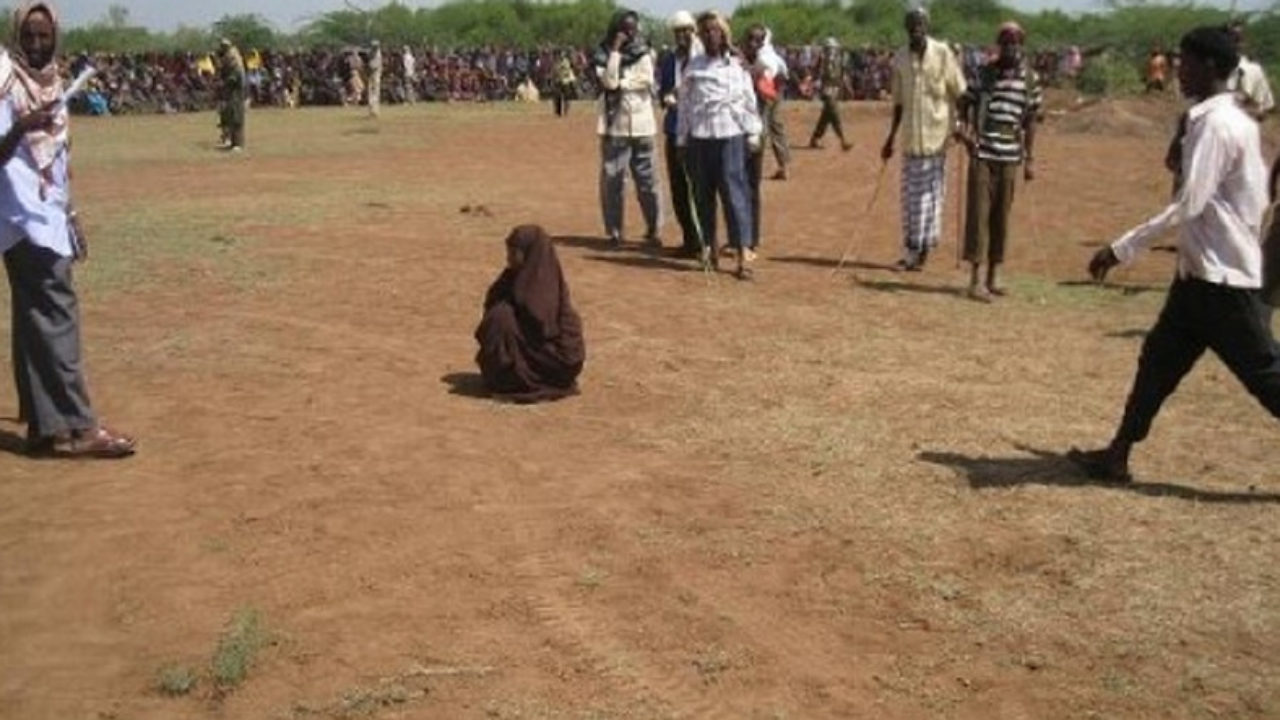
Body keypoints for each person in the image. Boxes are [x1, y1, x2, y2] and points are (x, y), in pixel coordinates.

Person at [1071, 26, 1280, 483]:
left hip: (1223, 282)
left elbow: (1190, 204)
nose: (1177, 69)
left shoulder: (1219, 125)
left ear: (1208, 66)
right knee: (1157, 363)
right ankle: (1117, 453)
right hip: (1199, 277)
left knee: (1268, 377)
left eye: (1184, 61)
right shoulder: (1222, 120)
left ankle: (1117, 452)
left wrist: (1120, 249)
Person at [1, 1, 136, 458]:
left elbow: (58, 160)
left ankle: (43, 425)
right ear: (16, 37)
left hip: (47, 215)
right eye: (28, 37)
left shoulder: (52, 82)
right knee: (57, 314)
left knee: (35, 319)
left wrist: (71, 214)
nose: (36, 46)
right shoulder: (4, 81)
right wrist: (21, 126)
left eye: (44, 37)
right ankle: (77, 427)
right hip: (23, 218)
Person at [956, 21, 1041, 301]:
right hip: (983, 152)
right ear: (999, 45)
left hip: (1010, 156)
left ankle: (993, 276)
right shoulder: (984, 73)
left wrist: (1029, 159)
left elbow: (1031, 121)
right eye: (1005, 42)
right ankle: (975, 281)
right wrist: (963, 131)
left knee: (1000, 217)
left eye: (1015, 42)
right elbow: (964, 102)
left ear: (1021, 45)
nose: (1010, 47)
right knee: (979, 215)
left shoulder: (1030, 79)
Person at [677, 10, 762, 279]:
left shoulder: (738, 66)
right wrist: (681, 137)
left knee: (735, 195)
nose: (711, 35)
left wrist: (753, 133)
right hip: (700, 138)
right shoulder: (694, 67)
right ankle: (708, 249)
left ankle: (742, 255)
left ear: (724, 34)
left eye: (715, 30)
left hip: (731, 137)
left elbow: (749, 101)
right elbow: (685, 107)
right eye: (705, 31)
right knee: (703, 196)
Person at [881, 8, 967, 271]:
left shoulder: (942, 53)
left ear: (927, 26)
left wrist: (961, 125)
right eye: (912, 24)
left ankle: (917, 252)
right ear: (906, 27)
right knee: (909, 200)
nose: (916, 28)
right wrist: (890, 138)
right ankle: (913, 248)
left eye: (920, 23)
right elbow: (898, 103)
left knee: (929, 199)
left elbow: (960, 92)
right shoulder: (900, 58)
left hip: (936, 140)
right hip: (910, 140)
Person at [475, 225, 584, 403]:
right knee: (499, 317)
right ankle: (510, 375)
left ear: (529, 253)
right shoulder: (509, 278)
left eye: (514, 252)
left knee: (501, 317)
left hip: (556, 361)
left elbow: (542, 323)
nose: (508, 258)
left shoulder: (543, 280)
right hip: (533, 354)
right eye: (508, 252)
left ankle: (516, 378)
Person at [594, 9, 663, 249]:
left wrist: (624, 84)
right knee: (613, 182)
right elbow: (609, 81)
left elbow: (647, 79)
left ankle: (654, 229)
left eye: (633, 29)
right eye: (625, 29)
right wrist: (615, 51)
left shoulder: (644, 52)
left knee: (648, 182)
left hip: (643, 126)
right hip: (615, 127)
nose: (630, 34)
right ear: (615, 29)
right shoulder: (603, 54)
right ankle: (615, 232)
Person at [657, 11, 703, 258]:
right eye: (678, 31)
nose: (683, 35)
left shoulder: (702, 58)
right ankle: (689, 239)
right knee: (678, 188)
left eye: (687, 30)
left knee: (699, 187)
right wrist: (667, 97)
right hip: (674, 129)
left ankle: (704, 239)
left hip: (698, 132)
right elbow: (663, 91)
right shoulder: (668, 60)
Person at [743, 24, 781, 250]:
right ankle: (740, 235)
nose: (753, 44)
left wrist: (752, 74)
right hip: (734, 131)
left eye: (759, 40)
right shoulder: (736, 61)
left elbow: (768, 94)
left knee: (751, 186)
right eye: (750, 39)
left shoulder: (765, 66)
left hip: (755, 132)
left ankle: (752, 238)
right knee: (734, 186)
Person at [808, 37, 853, 152]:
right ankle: (843, 139)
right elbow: (815, 73)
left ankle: (815, 138)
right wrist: (813, 84)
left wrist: (847, 87)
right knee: (834, 113)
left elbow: (842, 74)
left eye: (833, 49)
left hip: (835, 88)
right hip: (826, 88)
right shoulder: (821, 60)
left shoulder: (839, 59)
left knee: (826, 116)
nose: (831, 51)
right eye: (829, 49)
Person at [1226, 20, 1274, 121]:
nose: (1236, 42)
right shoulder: (1214, 70)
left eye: (1238, 38)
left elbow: (1262, 113)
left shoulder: (1255, 70)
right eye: (1233, 37)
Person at [216, 37, 246, 151]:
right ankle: (232, 142)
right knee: (230, 116)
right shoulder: (227, 58)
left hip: (236, 91)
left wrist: (225, 82)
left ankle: (238, 143)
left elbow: (235, 76)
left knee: (236, 116)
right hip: (230, 91)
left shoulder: (234, 59)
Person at [553, 52, 576, 117]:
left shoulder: (566, 62)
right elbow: (554, 71)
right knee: (557, 97)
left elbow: (566, 70)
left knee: (567, 97)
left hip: (566, 81)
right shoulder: (556, 62)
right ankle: (558, 112)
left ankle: (566, 111)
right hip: (558, 81)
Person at [366, 40, 382, 118]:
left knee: (375, 92)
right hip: (372, 75)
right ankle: (371, 110)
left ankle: (375, 110)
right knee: (371, 92)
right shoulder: (372, 54)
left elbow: (373, 66)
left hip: (375, 74)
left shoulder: (377, 54)